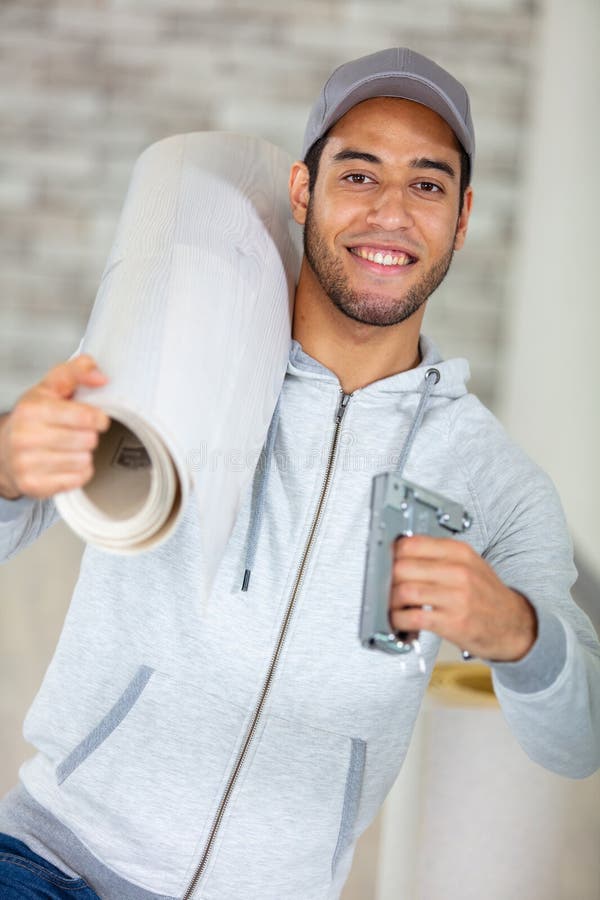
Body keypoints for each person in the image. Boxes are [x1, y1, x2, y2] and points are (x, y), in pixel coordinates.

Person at [0, 46, 598, 900]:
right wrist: (9, 464)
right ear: (301, 191)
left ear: (462, 219)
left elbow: (579, 740)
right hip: (55, 863)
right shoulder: (172, 352)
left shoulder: (496, 481)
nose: (392, 212)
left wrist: (519, 632)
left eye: (427, 185)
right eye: (360, 175)